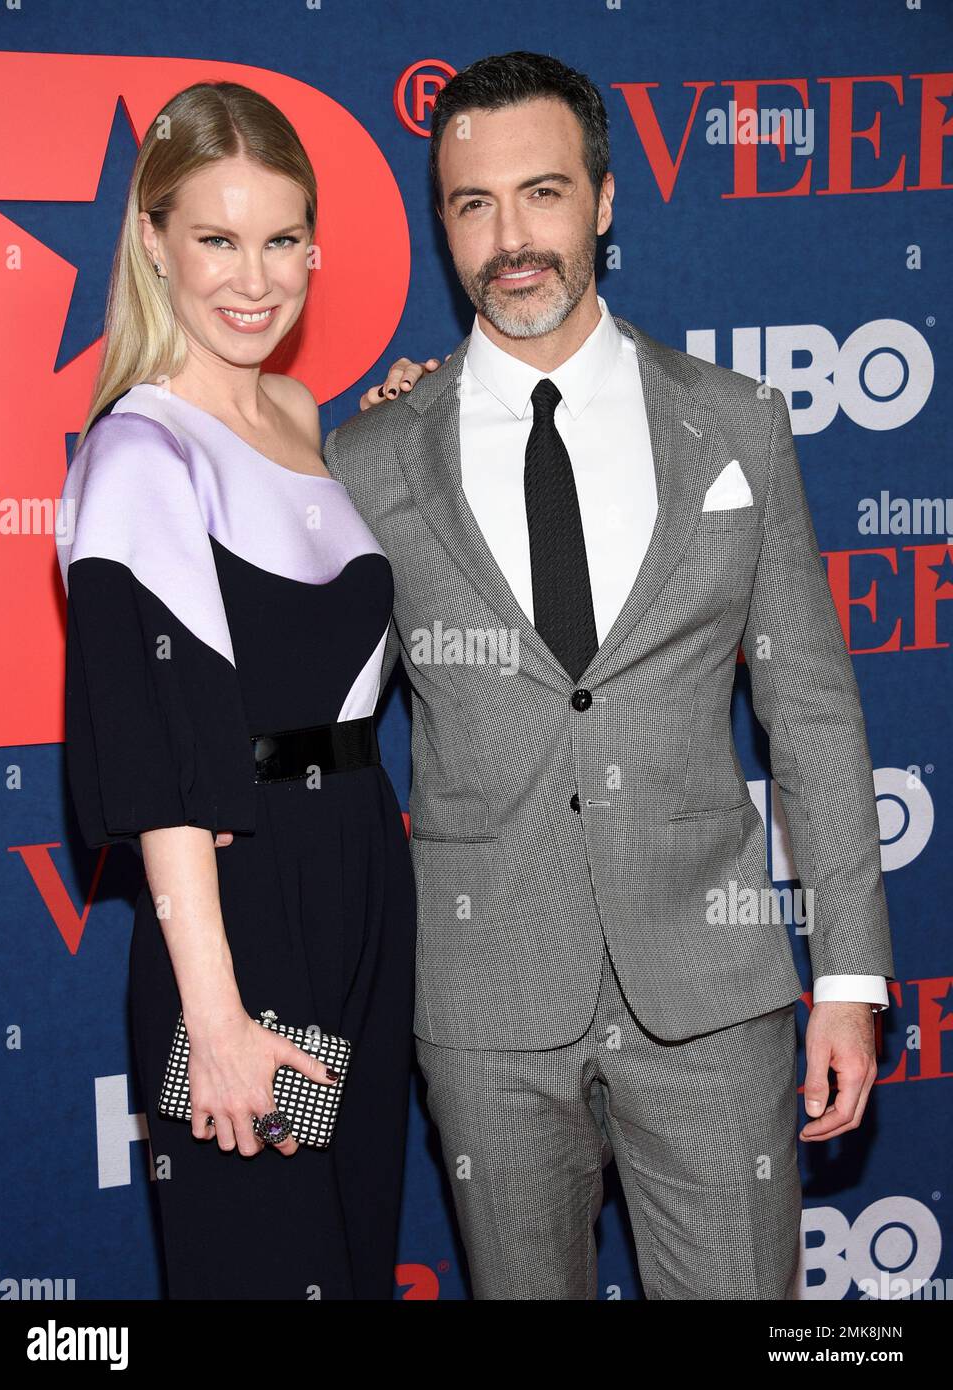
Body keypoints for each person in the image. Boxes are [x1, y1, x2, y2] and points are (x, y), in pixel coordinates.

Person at [324, 51, 897, 1300]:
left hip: (715, 994)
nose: (510, 239)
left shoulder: (735, 421)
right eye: (473, 205)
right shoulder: (369, 457)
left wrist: (848, 981)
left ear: (604, 200)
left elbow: (807, 707)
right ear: (442, 223)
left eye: (540, 194)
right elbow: (319, 733)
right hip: (483, 1002)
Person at [56, 80, 434, 1300]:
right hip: (237, 894)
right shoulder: (136, 450)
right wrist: (213, 1019)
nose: (252, 279)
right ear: (154, 240)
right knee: (264, 1265)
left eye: (280, 241)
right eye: (215, 238)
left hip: (366, 865)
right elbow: (159, 760)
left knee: (349, 1249)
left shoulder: (300, 409)